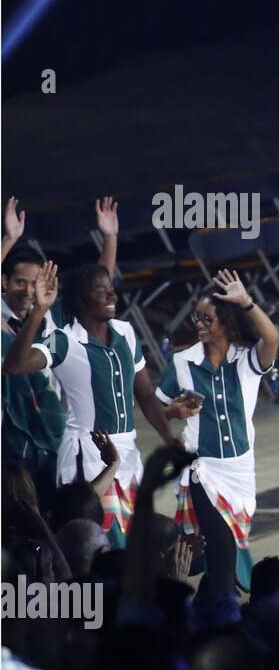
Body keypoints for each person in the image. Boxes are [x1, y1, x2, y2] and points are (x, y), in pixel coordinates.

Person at [2, 259, 179, 548]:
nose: (112, 296)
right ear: (80, 299)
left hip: (126, 452)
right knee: (103, 543)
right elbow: (15, 364)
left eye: (111, 289)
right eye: (101, 291)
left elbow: (145, 395)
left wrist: (169, 438)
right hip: (88, 455)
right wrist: (40, 311)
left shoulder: (126, 332)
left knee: (133, 542)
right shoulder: (64, 340)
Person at [154, 269, 279, 590]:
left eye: (208, 318)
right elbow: (154, 409)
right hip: (203, 471)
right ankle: (221, 616)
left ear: (227, 322)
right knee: (223, 556)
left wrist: (247, 302)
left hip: (239, 471)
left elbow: (272, 338)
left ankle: (206, 607)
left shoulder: (246, 361)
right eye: (197, 317)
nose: (199, 323)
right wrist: (173, 411)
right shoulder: (183, 362)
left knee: (219, 556)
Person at [1, 197, 120, 502]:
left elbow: (96, 289)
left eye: (34, 282)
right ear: (3, 281)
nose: (27, 290)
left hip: (53, 435)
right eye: (19, 282)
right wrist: (9, 239)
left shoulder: (48, 318)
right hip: (13, 443)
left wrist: (110, 237)